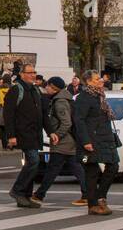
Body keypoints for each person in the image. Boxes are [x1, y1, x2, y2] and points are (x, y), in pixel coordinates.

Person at [32, 76, 89, 206]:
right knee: (76, 167)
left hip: (64, 142)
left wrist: (57, 135)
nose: (46, 87)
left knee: (53, 169)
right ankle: (88, 194)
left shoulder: (60, 102)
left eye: (48, 85)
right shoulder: (64, 98)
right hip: (69, 140)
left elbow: (66, 123)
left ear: (54, 88)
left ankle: (39, 195)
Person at [73, 71, 119, 216]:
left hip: (105, 137)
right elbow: (79, 120)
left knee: (113, 166)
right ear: (88, 82)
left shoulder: (100, 95)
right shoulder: (84, 98)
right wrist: (85, 141)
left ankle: (100, 196)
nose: (101, 80)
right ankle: (94, 204)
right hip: (92, 139)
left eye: (100, 78)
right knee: (91, 171)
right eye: (97, 79)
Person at [4, 64, 44, 208]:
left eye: (34, 72)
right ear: (21, 74)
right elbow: (8, 114)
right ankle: (17, 190)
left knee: (32, 163)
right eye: (30, 72)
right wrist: (11, 136)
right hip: (24, 132)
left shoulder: (35, 90)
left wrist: (50, 131)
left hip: (35, 133)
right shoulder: (16, 89)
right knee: (33, 161)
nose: (33, 75)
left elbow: (42, 113)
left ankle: (25, 196)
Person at [0, 73, 13, 148]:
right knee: (10, 128)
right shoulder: (13, 89)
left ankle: (4, 145)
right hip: (11, 112)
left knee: (2, 129)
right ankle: (11, 144)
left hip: (0, 112)